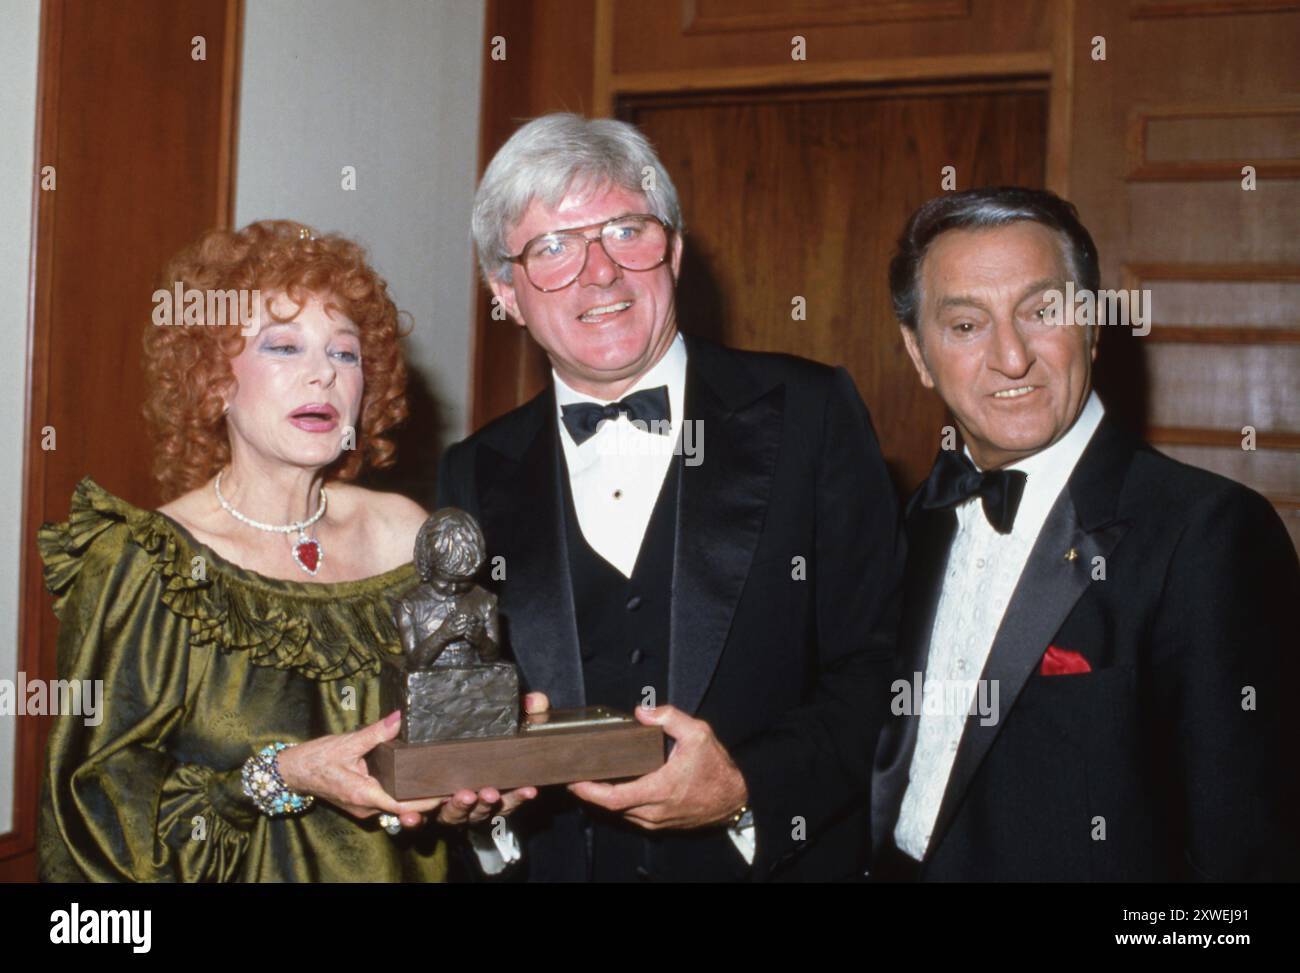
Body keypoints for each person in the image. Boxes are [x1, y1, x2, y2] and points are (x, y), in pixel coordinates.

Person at [438, 113, 904, 881]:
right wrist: (481, 817)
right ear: (506, 294)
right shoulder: (471, 470)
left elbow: (881, 665)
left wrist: (748, 789)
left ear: (675, 251)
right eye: (552, 248)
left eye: (627, 231)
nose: (599, 273)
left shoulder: (811, 413)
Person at [37, 220, 540, 882]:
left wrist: (472, 794)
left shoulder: (408, 536)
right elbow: (93, 833)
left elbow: (453, 758)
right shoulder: (144, 562)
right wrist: (275, 774)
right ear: (215, 379)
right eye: (283, 347)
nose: (322, 377)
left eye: (345, 354)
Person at [869, 187, 1300, 881]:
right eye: (965, 325)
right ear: (918, 355)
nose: (1012, 358)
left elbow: (1246, 860)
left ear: (1094, 327)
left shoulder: (1210, 534)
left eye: (1042, 312)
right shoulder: (912, 519)